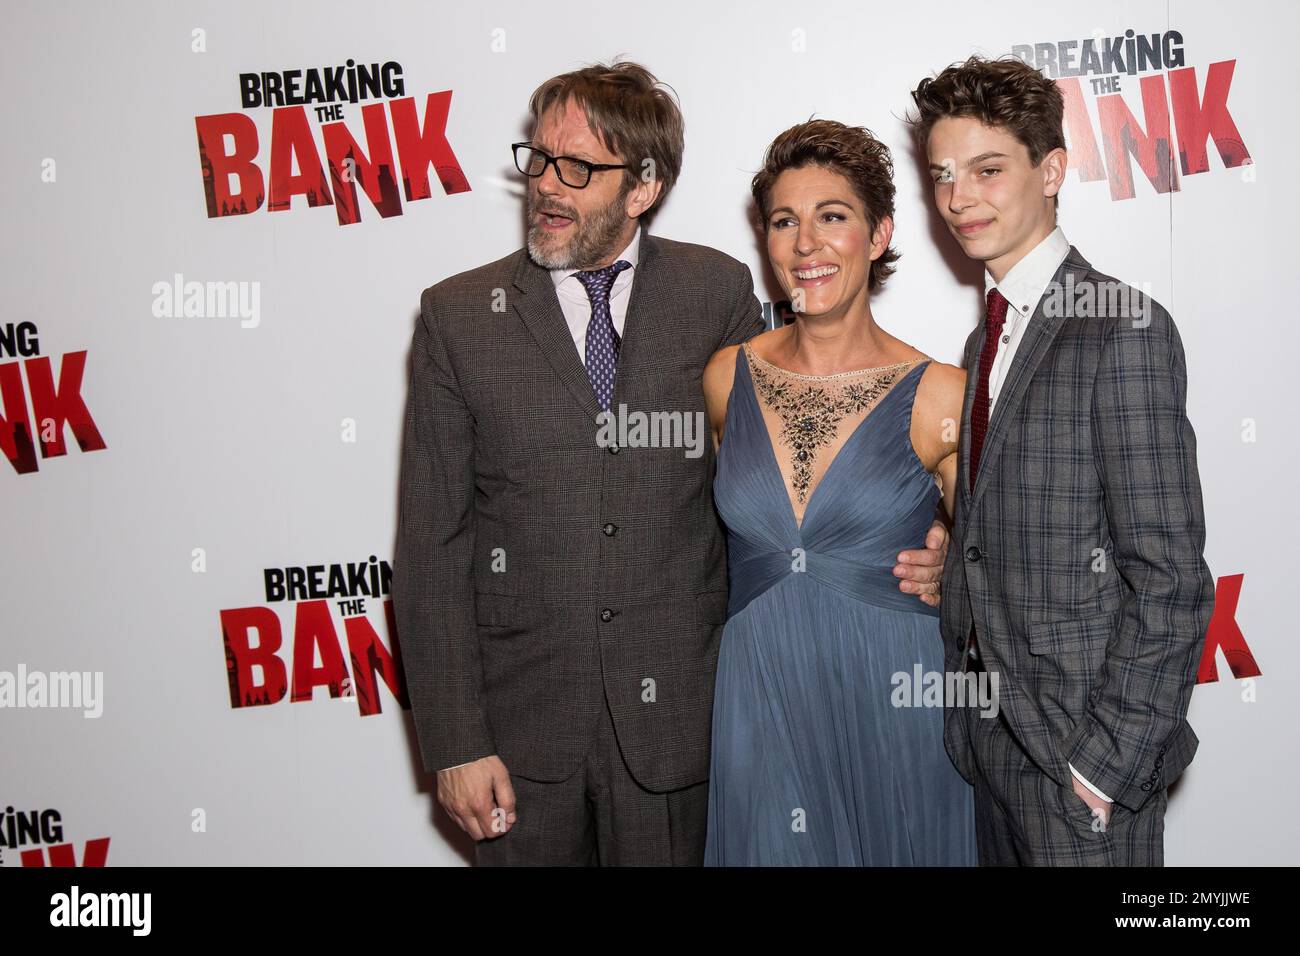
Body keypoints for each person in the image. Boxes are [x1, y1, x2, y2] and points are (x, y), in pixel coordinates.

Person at [392, 61, 949, 866]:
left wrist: (923, 539)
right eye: (539, 159)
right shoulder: (458, 319)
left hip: (687, 736)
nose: (549, 185)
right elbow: (430, 548)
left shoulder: (713, 293)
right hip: (519, 746)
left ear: (643, 188)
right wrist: (452, 743)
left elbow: (797, 445)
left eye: (579, 169)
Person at [909, 54, 1215, 865]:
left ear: (1051, 170)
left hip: (1077, 768)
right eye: (942, 175)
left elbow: (1172, 579)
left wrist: (1103, 768)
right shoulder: (984, 340)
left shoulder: (1124, 327)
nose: (959, 198)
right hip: (989, 752)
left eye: (986, 169)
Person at [701, 119, 976, 865]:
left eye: (833, 217)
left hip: (895, 704)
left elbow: (1009, 562)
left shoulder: (939, 396)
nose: (805, 245)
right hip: (759, 700)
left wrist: (961, 567)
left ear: (879, 233)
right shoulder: (725, 379)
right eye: (785, 221)